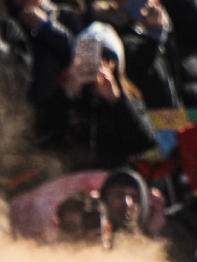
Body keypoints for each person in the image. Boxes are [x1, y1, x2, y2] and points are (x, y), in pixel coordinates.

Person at [34, 21, 156, 171]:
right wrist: (67, 95)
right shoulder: (63, 94)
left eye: (106, 56)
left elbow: (145, 142)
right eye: (90, 54)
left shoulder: (128, 97)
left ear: (118, 64)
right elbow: (42, 136)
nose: (99, 62)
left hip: (114, 180)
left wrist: (117, 101)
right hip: (68, 179)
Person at [6, 0, 87, 107]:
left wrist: (46, 28)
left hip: (59, 109)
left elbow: (80, 55)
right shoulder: (5, 22)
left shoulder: (66, 17)